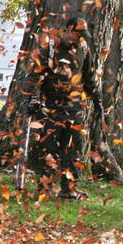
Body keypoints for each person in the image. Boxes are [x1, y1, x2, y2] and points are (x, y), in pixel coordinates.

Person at [24, 17, 101, 200]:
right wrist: (33, 99)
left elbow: (89, 77)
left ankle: (69, 189)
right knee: (48, 149)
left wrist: (98, 100)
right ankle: (45, 188)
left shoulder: (83, 50)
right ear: (68, 30)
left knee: (73, 151)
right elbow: (35, 76)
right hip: (52, 108)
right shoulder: (50, 50)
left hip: (75, 109)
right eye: (77, 34)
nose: (79, 38)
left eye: (82, 36)